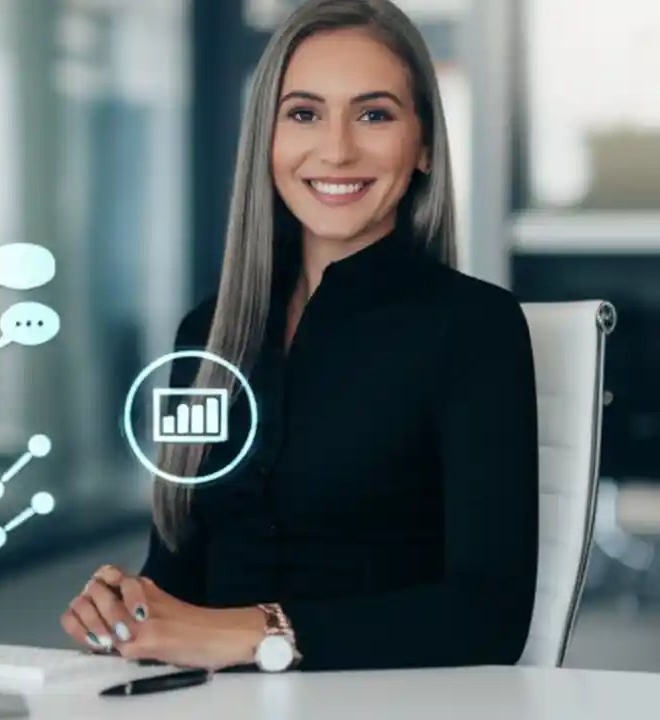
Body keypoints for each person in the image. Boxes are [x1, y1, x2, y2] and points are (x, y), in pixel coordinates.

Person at [59, 0, 538, 672]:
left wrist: (257, 634)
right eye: (304, 113)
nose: (336, 148)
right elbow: (178, 571)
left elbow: (488, 615)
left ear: (424, 144)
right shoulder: (205, 332)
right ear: (268, 141)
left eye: (374, 114)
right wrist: (126, 608)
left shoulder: (476, 329)